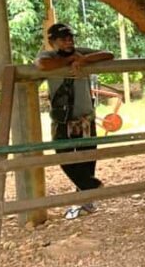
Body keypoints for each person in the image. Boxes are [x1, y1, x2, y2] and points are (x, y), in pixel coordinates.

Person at [35, 23, 114, 219]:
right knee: (64, 157)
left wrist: (84, 59)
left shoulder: (81, 52)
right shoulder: (48, 56)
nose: (69, 41)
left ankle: (86, 201)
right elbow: (42, 66)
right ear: (52, 42)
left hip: (86, 116)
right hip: (63, 120)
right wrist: (72, 60)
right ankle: (92, 188)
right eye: (63, 39)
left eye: (70, 38)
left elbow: (109, 54)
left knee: (88, 160)